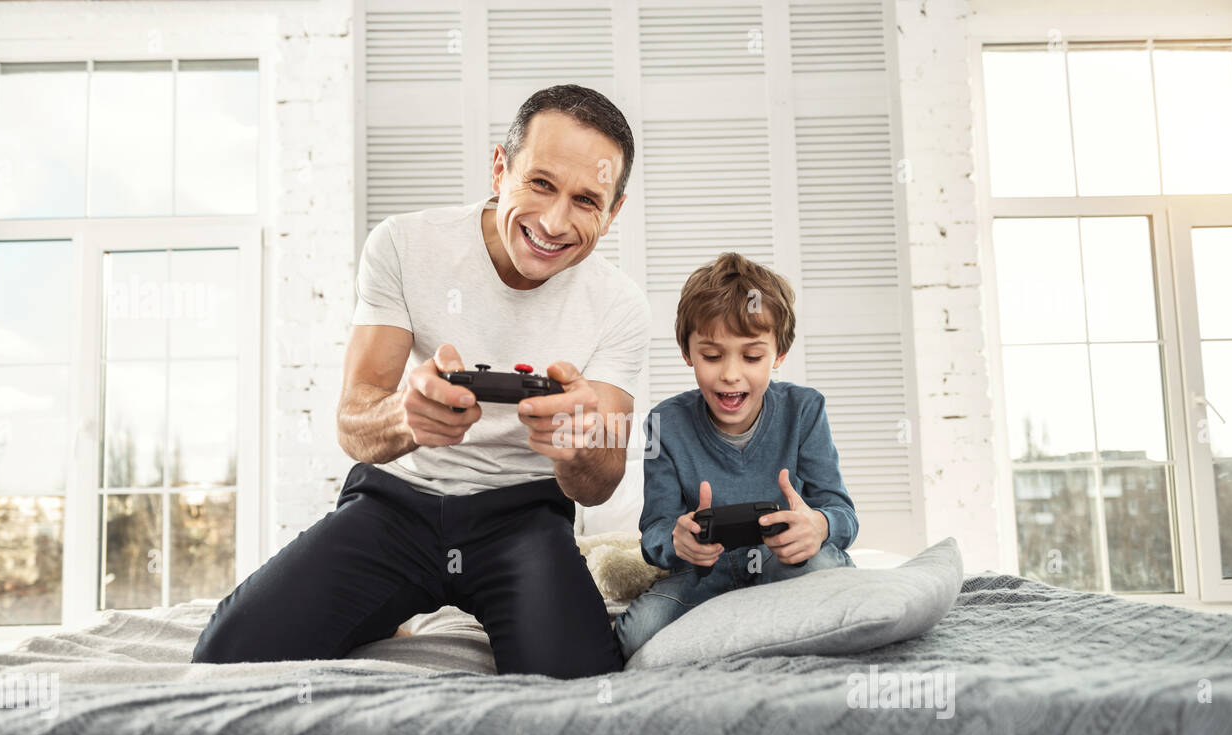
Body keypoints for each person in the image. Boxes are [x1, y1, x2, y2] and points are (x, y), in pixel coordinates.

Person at [192, 85, 649, 678]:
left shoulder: (620, 307)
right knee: (228, 657)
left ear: (613, 212)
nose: (554, 222)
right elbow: (354, 423)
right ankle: (389, 603)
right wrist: (406, 417)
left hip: (523, 518)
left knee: (578, 690)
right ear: (499, 168)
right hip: (394, 508)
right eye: (540, 183)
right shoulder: (404, 245)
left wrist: (579, 446)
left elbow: (599, 482)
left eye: (586, 200)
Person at [613, 252, 859, 660]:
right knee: (635, 635)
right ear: (687, 351)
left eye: (751, 356)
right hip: (703, 576)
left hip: (782, 565)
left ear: (778, 354)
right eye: (712, 356)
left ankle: (753, 630)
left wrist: (818, 525)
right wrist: (679, 542)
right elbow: (655, 531)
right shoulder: (664, 423)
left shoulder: (805, 410)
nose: (730, 374)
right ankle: (759, 631)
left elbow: (842, 513)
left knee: (826, 572)